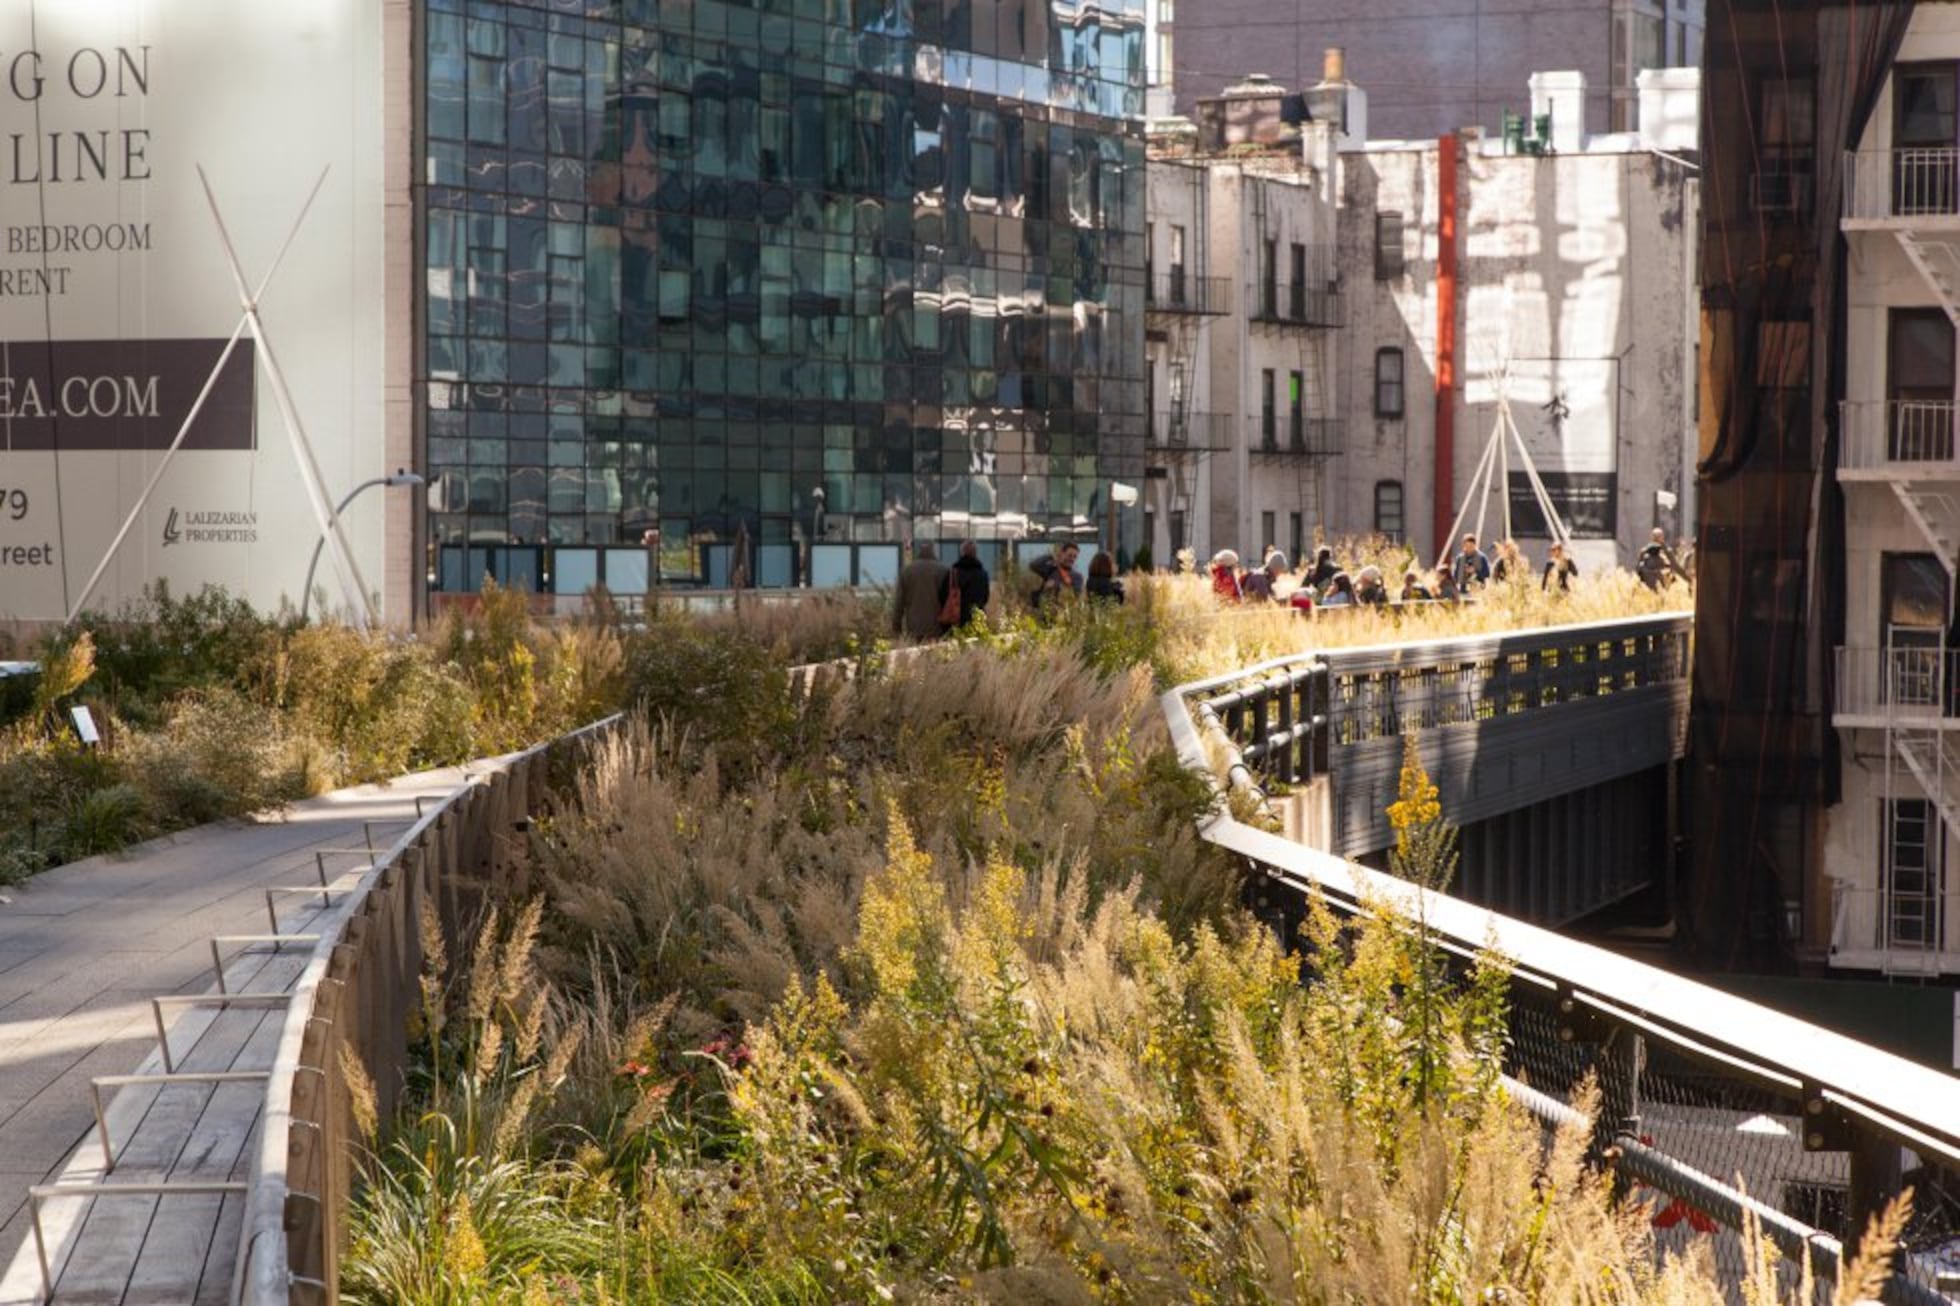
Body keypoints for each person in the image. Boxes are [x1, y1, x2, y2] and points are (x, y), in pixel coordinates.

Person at [891, 541, 952, 640]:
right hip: (938, 627)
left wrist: (896, 625)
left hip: (914, 627)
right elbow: (950, 600)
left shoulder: (907, 571)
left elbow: (899, 602)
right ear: (933, 551)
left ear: (919, 551)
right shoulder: (944, 570)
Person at [1028, 542, 1083, 609]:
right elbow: (1033, 565)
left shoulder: (1077, 576)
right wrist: (1051, 556)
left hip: (1063, 611)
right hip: (1045, 609)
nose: (1072, 559)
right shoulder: (1051, 569)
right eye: (1069, 555)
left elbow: (1076, 595)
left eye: (1075, 557)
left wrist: (1055, 586)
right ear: (1062, 553)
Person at [949, 539, 991, 626]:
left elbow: (945, 594)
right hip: (977, 617)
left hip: (957, 616)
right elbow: (985, 597)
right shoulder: (983, 574)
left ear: (962, 553)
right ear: (975, 553)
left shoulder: (954, 573)